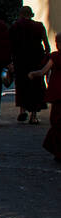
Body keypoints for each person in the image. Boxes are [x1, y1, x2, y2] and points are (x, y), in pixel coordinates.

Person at [9, 6, 50, 124]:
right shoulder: (39, 26)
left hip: (20, 60)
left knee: (22, 85)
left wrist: (10, 61)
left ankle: (22, 111)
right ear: (31, 14)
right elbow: (46, 44)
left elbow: (10, 45)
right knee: (36, 86)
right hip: (36, 60)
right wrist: (47, 58)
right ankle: (34, 115)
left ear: (20, 14)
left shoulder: (15, 26)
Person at [28, 35, 61, 165]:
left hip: (58, 92)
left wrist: (32, 74)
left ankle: (58, 151)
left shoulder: (55, 57)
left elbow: (43, 71)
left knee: (57, 122)